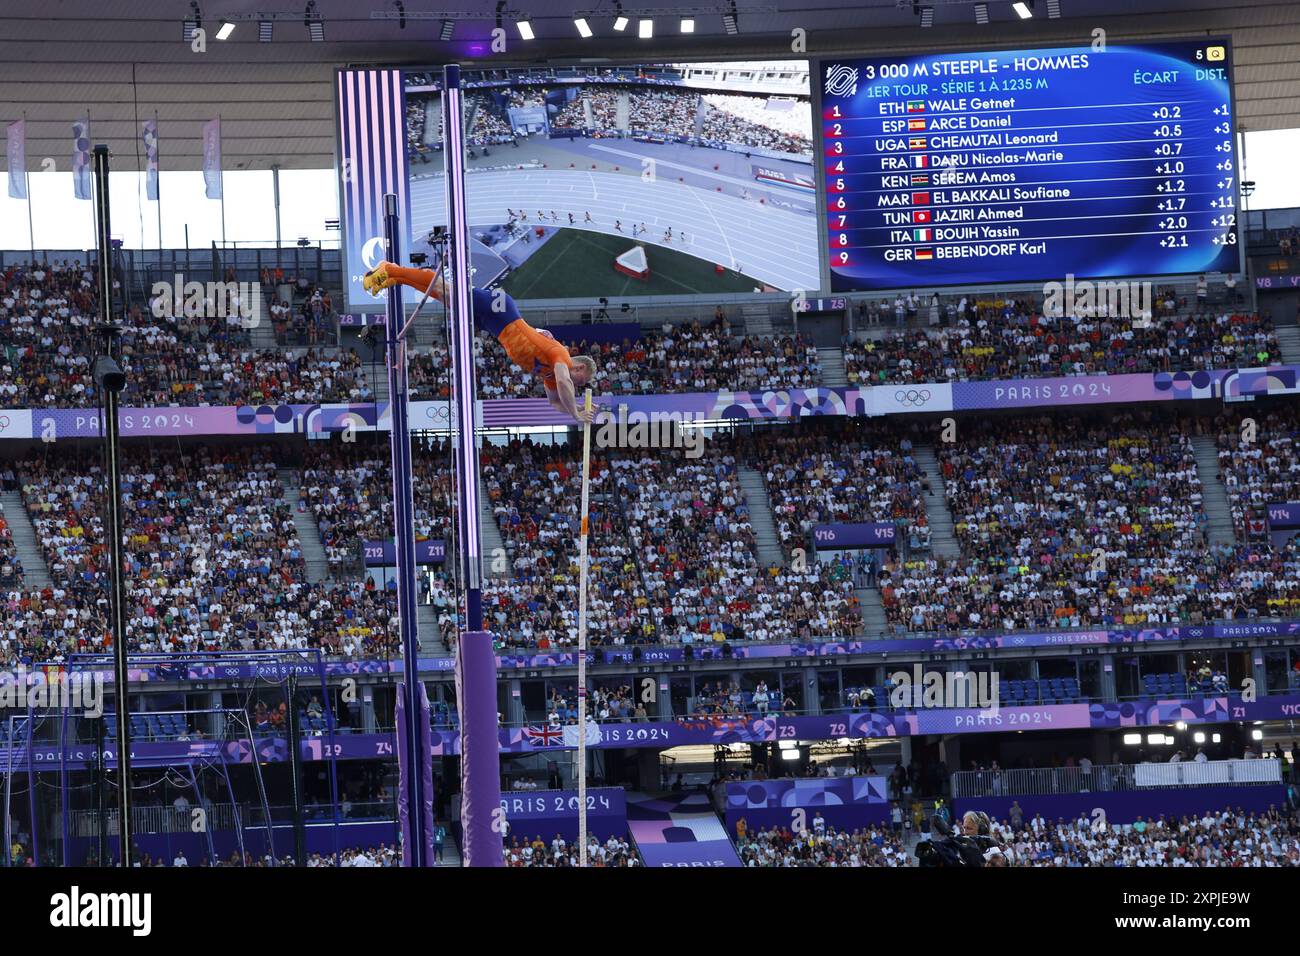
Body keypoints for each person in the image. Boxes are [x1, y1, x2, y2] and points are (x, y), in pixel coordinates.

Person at [363, 261, 597, 423]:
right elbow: (566, 383)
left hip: (494, 325)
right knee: (446, 290)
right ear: (579, 367)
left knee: (445, 297)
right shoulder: (562, 357)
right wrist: (576, 415)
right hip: (502, 311)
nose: (578, 384)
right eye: (581, 380)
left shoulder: (550, 375)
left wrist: (573, 408)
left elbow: (554, 402)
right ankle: (391, 268)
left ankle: (395, 278)